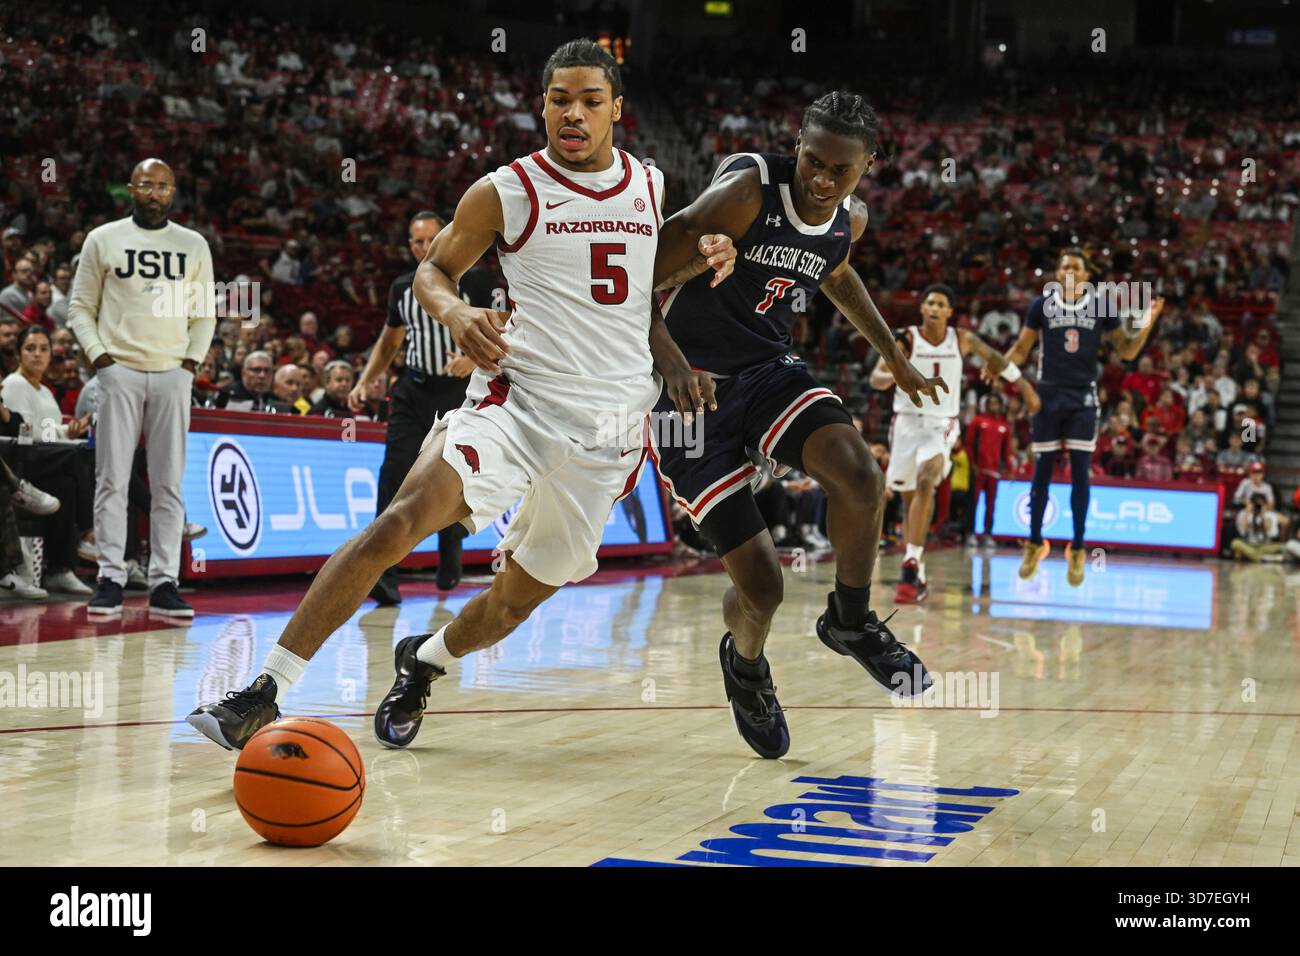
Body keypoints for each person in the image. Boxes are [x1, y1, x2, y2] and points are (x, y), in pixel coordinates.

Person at [187, 38, 735, 751]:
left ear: (617, 110)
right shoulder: (507, 189)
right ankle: (265, 690)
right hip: (518, 402)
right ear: (542, 106)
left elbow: (640, 296)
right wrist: (456, 314)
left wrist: (702, 269)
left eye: (590, 101)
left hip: (609, 427)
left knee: (511, 605)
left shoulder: (649, 184)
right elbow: (433, 271)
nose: (573, 114)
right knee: (397, 524)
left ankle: (423, 660)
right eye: (560, 100)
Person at [647, 92, 952, 759]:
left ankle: (851, 619)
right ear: (797, 145)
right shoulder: (746, 193)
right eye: (813, 161)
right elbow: (634, 276)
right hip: (690, 393)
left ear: (868, 166)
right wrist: (668, 361)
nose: (821, 179)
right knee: (763, 587)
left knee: (859, 475)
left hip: (768, 370)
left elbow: (836, 273)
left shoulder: (850, 219)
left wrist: (894, 356)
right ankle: (746, 666)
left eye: (840, 170)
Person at [68, 157, 215, 618]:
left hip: (173, 373)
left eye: (163, 186)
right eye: (147, 185)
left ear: (173, 192)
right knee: (111, 478)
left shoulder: (193, 244)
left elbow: (204, 312)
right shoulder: (103, 239)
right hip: (120, 370)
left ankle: (165, 581)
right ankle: (110, 577)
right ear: (131, 188)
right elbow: (80, 307)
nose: (155, 193)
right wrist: (101, 359)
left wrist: (189, 365)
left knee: (168, 483)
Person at [991, 248, 1163, 586]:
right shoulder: (1041, 306)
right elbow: (1022, 349)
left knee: (1081, 474)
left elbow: (1127, 350)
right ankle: (1035, 542)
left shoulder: (1101, 305)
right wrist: (999, 365)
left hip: (1082, 396)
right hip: (1047, 395)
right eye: (1064, 266)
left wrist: (1148, 321)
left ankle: (1079, 547)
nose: (1069, 271)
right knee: (1041, 473)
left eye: (1076, 267)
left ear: (1086, 275)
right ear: (1057, 273)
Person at [872, 283, 1038, 603]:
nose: (935, 308)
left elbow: (996, 359)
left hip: (943, 422)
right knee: (909, 499)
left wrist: (1024, 386)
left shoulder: (962, 339)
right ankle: (916, 567)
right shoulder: (906, 339)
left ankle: (910, 564)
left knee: (927, 479)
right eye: (930, 303)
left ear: (950, 312)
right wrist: (897, 374)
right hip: (906, 422)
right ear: (922, 309)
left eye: (941, 304)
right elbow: (876, 378)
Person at [352, 211, 479, 602]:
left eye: (430, 239)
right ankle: (382, 575)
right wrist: (364, 380)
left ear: (447, 237)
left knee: (456, 474)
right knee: (393, 475)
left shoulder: (475, 280)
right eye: (417, 241)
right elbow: (389, 341)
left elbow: (508, 326)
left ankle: (451, 543)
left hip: (460, 391)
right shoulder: (402, 287)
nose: (424, 247)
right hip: (413, 390)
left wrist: (473, 359)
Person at [0, 326, 96, 595]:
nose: (37, 354)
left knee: (66, 484)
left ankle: (59, 569)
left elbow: (48, 432)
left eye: (43, 349)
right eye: (30, 348)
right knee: (75, 457)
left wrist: (68, 432)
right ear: (19, 353)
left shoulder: (45, 391)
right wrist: (63, 436)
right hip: (20, 461)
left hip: (45, 459)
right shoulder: (14, 385)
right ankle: (89, 532)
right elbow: (25, 433)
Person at [966, 392, 1014, 546]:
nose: (993, 406)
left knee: (991, 505)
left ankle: (987, 534)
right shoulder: (978, 422)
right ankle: (970, 533)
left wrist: (1009, 469)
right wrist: (972, 463)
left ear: (1000, 405)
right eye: (991, 403)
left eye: (996, 403)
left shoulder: (1004, 426)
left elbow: (1006, 450)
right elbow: (969, 444)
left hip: (994, 472)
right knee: (973, 503)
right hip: (978, 470)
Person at [1231, 493, 1282, 562]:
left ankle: (1254, 556)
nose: (1258, 507)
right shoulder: (1245, 514)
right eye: (1256, 505)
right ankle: (1261, 557)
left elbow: (1269, 531)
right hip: (1250, 545)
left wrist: (1263, 515)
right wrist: (1247, 512)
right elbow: (1242, 530)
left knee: (1282, 546)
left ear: (1265, 505)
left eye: (1260, 505)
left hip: (1265, 546)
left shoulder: (1270, 515)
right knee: (1235, 543)